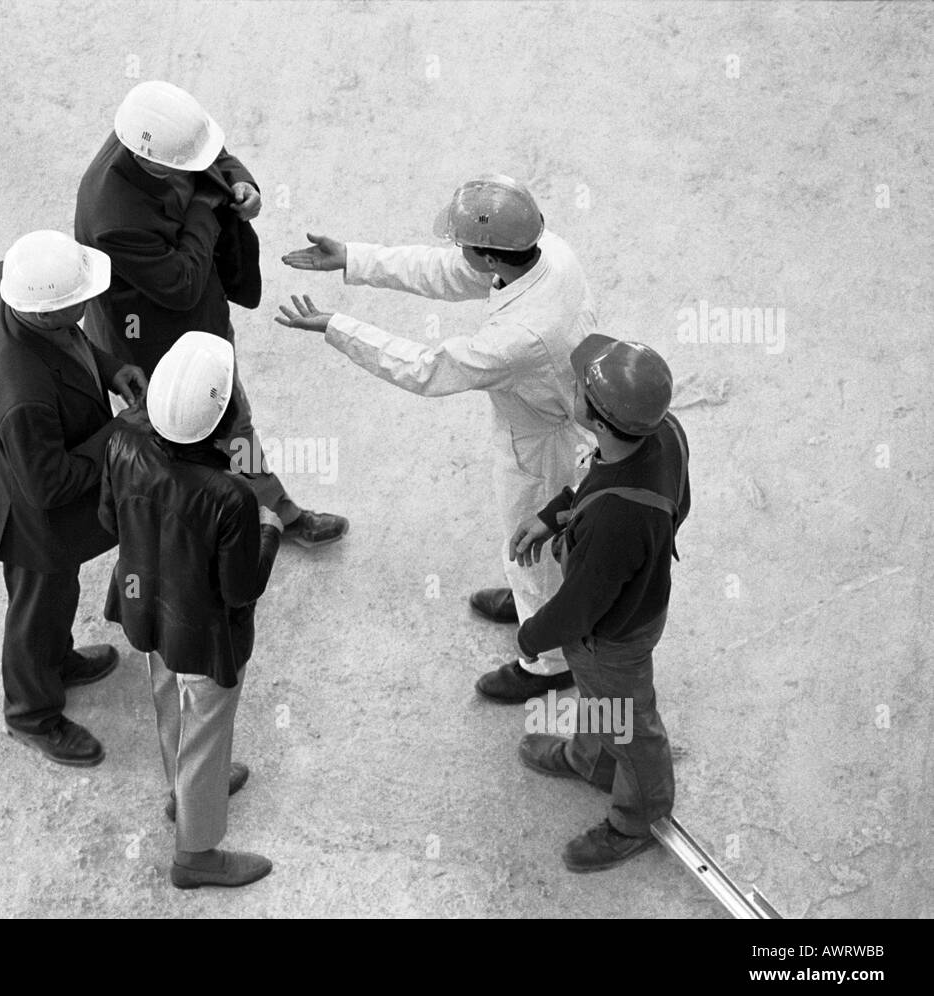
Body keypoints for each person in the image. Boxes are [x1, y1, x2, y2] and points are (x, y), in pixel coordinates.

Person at [277, 174, 595, 700]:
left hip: (541, 443)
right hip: (548, 415)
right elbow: (448, 271)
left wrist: (336, 327)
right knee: (534, 543)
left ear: (491, 257)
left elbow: (427, 370)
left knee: (534, 540)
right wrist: (355, 258)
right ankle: (530, 604)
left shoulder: (518, 338)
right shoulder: (547, 254)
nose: (459, 253)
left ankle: (547, 659)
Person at [77, 79, 348, 549]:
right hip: (152, 353)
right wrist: (207, 205)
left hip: (202, 327)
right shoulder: (112, 216)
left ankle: (274, 513)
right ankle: (197, 540)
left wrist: (242, 183)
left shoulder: (155, 133)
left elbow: (211, 154)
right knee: (172, 446)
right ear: (144, 158)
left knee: (233, 421)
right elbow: (180, 285)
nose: (196, 171)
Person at [0, 230, 147, 767]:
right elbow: (52, 483)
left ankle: (56, 661)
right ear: (43, 315)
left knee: (56, 591)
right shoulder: (22, 392)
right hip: (31, 516)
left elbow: (72, 344)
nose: (91, 306)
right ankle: (30, 715)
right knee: (35, 607)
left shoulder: (7, 284)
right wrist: (122, 430)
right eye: (78, 303)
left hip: (22, 481)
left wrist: (109, 368)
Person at [99, 331, 279, 889]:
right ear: (223, 421)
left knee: (166, 696)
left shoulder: (122, 443)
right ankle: (196, 854)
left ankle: (185, 791)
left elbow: (110, 521)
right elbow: (238, 589)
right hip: (205, 631)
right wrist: (269, 532)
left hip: (145, 607)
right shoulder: (232, 497)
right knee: (206, 722)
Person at [509, 333, 689, 872]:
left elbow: (581, 607)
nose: (575, 388)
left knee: (630, 726)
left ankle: (637, 818)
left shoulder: (618, 521)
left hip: (609, 635)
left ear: (598, 420)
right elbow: (608, 480)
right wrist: (560, 512)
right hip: (624, 607)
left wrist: (533, 636)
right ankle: (590, 760)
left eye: (582, 387)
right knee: (599, 699)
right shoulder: (665, 430)